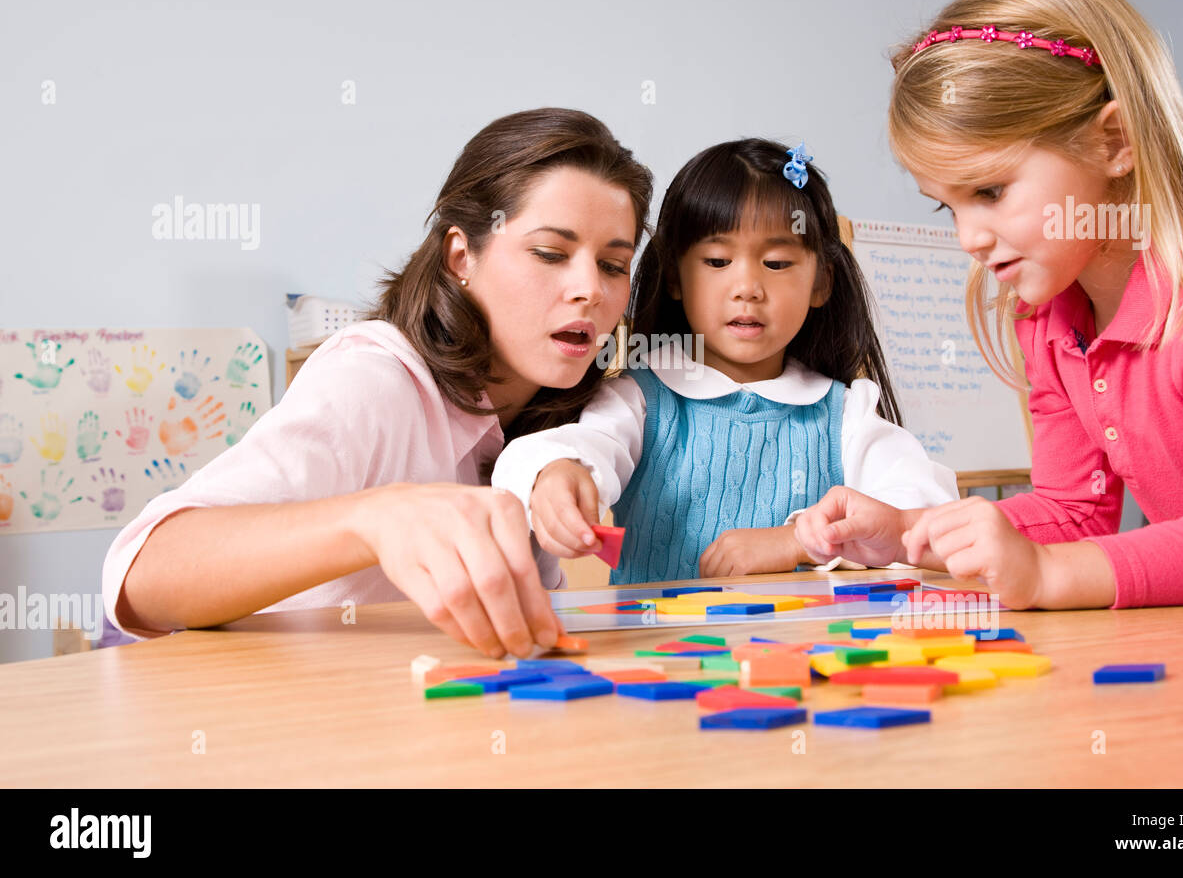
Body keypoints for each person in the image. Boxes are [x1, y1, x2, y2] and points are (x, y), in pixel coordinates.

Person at [795, 0, 1183, 610]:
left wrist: (1048, 576)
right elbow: (1072, 510)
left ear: (1114, 142)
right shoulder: (1047, 313)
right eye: (947, 207)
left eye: (989, 191)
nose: (969, 239)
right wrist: (910, 533)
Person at [102, 107, 654, 658]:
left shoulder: (574, 421)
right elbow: (140, 577)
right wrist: (375, 519)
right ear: (462, 256)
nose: (590, 289)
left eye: (612, 265)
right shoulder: (373, 379)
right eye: (550, 254)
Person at [492, 138, 956, 584]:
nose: (747, 288)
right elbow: (577, 446)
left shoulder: (845, 415)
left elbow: (923, 514)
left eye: (776, 263)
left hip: (805, 656)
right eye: (716, 261)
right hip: (661, 657)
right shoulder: (642, 398)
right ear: (675, 276)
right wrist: (556, 473)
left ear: (821, 284)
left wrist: (800, 540)